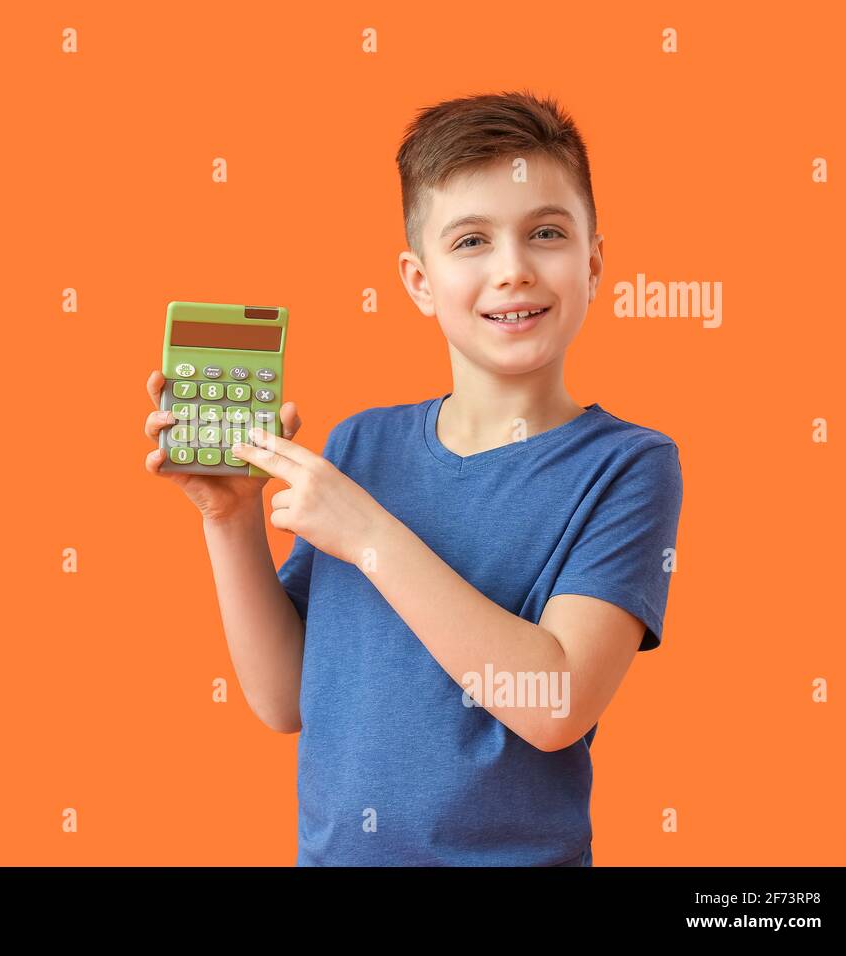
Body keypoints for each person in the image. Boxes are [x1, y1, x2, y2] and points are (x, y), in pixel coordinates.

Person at [142, 90, 683, 866]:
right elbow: (285, 696)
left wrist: (367, 536)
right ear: (419, 280)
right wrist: (229, 520)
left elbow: (555, 702)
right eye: (471, 241)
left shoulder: (627, 465)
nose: (513, 270)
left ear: (594, 262)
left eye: (547, 233)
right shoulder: (362, 444)